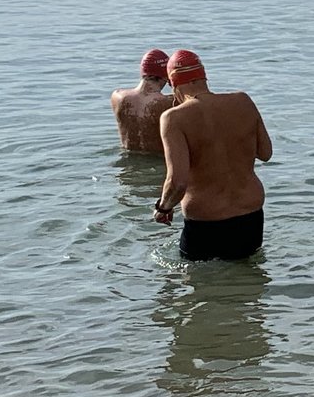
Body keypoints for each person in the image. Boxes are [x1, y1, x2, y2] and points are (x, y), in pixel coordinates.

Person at [155, 49, 272, 261]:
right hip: (251, 216)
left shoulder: (173, 119)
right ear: (203, 77)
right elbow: (265, 153)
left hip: (205, 222)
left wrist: (163, 207)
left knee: (200, 288)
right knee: (247, 285)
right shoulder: (243, 101)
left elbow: (177, 182)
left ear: (174, 84)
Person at [111, 48, 176, 155]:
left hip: (129, 156)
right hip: (158, 160)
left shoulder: (117, 97)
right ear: (167, 74)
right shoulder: (169, 102)